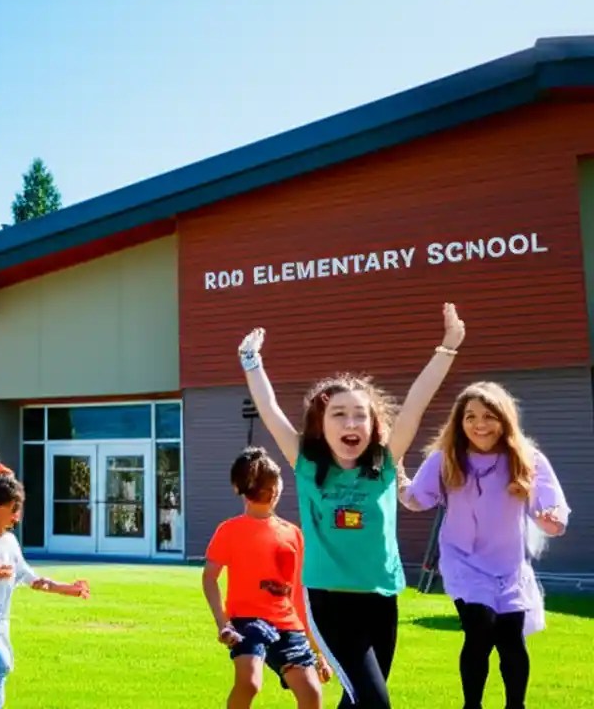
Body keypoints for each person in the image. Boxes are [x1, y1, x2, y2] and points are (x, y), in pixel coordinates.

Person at [238, 302, 465, 709]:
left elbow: (416, 402)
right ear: (321, 426)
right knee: (375, 703)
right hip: (330, 601)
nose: (350, 424)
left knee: (358, 700)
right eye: (338, 415)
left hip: (382, 599)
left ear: (373, 426)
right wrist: (251, 361)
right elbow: (270, 412)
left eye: (360, 416)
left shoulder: (383, 465)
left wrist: (448, 346)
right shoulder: (306, 465)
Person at [399, 381, 569, 709]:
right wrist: (399, 480)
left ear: (504, 419)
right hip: (463, 561)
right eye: (471, 416)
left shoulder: (527, 459)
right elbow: (417, 500)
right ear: (459, 422)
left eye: (489, 415)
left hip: (509, 566)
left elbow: (552, 511)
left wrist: (551, 519)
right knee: (480, 629)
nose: (480, 424)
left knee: (511, 640)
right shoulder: (445, 459)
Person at [203, 447, 332, 709]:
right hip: (247, 622)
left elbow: (298, 594)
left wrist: (319, 653)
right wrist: (223, 623)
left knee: (311, 694)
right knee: (250, 682)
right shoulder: (229, 531)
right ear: (243, 489)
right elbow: (210, 578)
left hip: (288, 625)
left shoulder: (292, 534)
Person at [0, 472, 89, 709]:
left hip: (0, 619)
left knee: (2, 672)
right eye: (13, 508)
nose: (17, 516)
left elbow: (33, 579)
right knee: (1, 663)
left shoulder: (10, 542)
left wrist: (68, 589)